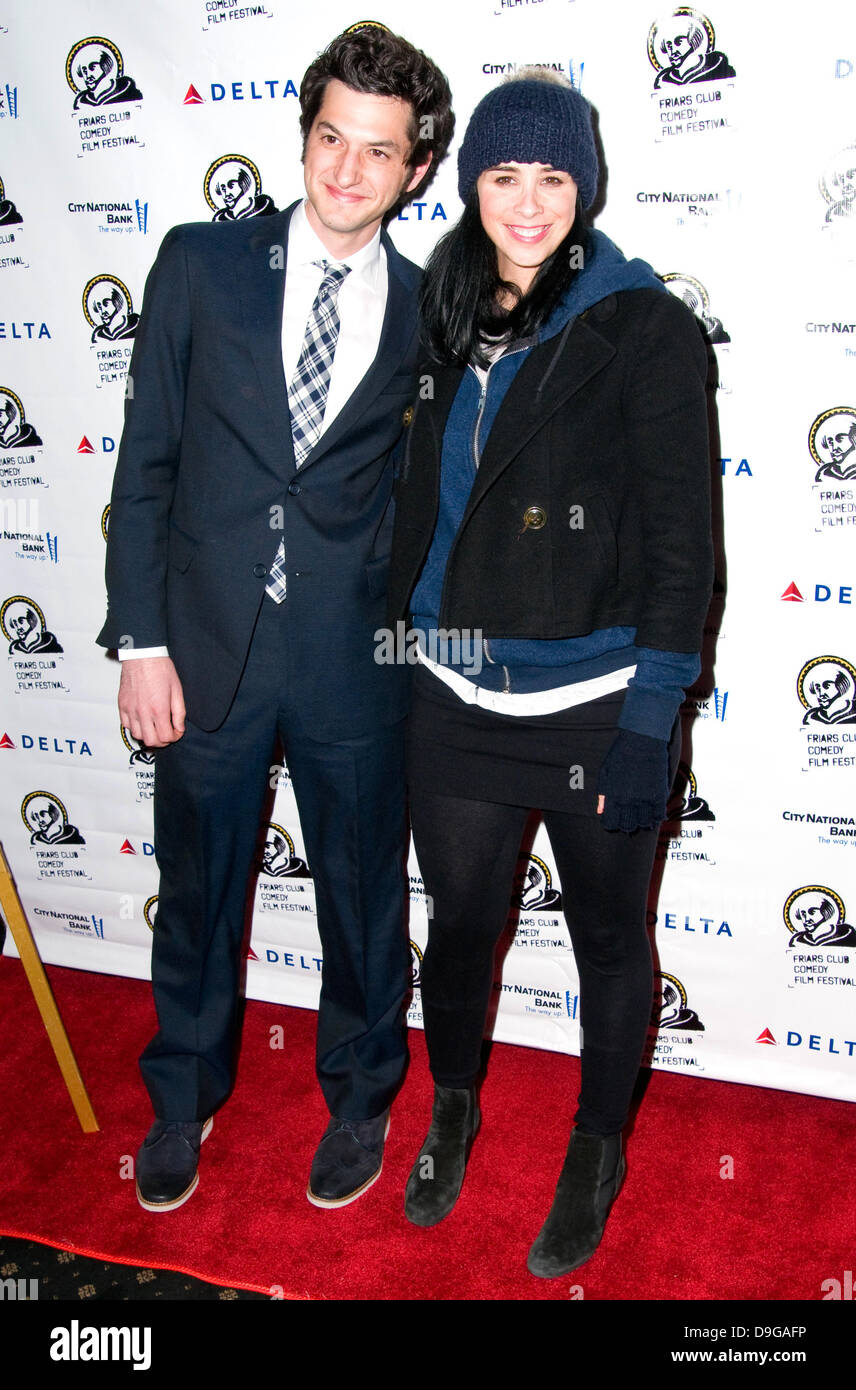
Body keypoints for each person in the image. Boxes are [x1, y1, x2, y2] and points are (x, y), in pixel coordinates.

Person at [96, 25, 453, 1213]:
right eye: (329, 139)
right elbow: (145, 462)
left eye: (377, 152)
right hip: (201, 652)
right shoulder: (199, 264)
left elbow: (425, 500)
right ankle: (182, 1094)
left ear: (415, 170)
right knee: (198, 890)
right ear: (305, 138)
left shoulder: (426, 309)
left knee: (360, 893)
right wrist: (139, 641)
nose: (346, 171)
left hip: (352, 662)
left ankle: (359, 1096)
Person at [387, 69, 713, 1275]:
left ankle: (595, 1144)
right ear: (470, 182)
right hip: (454, 690)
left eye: (553, 177)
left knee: (606, 939)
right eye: (503, 175)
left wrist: (650, 715)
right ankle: (454, 1104)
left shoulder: (641, 321)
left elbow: (684, 540)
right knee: (460, 927)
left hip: (591, 696)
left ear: (587, 185)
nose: (528, 204)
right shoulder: (435, 311)